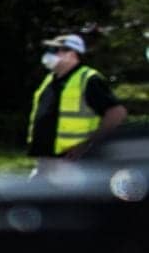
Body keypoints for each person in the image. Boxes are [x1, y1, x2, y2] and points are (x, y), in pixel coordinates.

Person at [29, 34, 126, 167]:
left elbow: (117, 113)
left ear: (72, 54)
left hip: (73, 161)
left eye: (56, 50)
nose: (49, 54)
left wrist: (88, 145)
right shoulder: (50, 79)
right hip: (46, 159)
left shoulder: (89, 79)